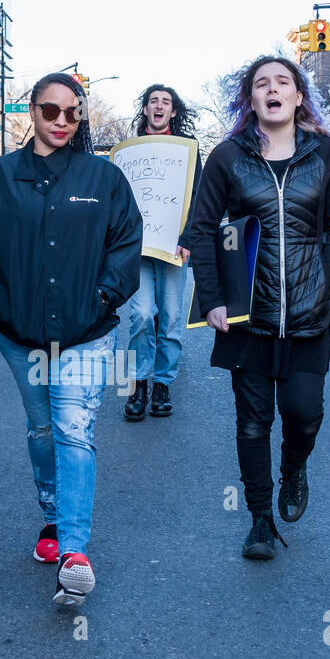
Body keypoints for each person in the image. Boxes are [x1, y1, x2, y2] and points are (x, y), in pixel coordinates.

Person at [0, 72, 142, 605]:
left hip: (87, 333)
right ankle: (52, 519)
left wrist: (103, 299)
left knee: (74, 429)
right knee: (41, 430)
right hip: (21, 335)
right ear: (32, 113)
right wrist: (7, 312)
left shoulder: (104, 179)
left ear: (80, 118)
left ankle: (74, 550)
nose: (61, 121)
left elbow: (126, 245)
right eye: (50, 110)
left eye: (71, 112)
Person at [187, 55, 330, 561]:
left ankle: (295, 466)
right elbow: (202, 227)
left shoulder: (325, 154)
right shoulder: (228, 156)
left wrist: (326, 281)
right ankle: (260, 520)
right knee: (253, 421)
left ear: (299, 96)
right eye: (262, 84)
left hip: (308, 314)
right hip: (247, 315)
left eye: (284, 81)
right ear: (251, 99)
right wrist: (213, 299)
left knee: (304, 413)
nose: (273, 89)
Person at [122, 83, 202, 420]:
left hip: (173, 249)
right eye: (153, 101)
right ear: (145, 110)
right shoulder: (128, 151)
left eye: (165, 102)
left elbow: (200, 198)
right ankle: (139, 383)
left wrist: (189, 236)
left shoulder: (189, 152)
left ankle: (163, 384)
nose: (158, 106)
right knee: (140, 315)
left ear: (172, 111)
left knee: (169, 320)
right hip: (137, 249)